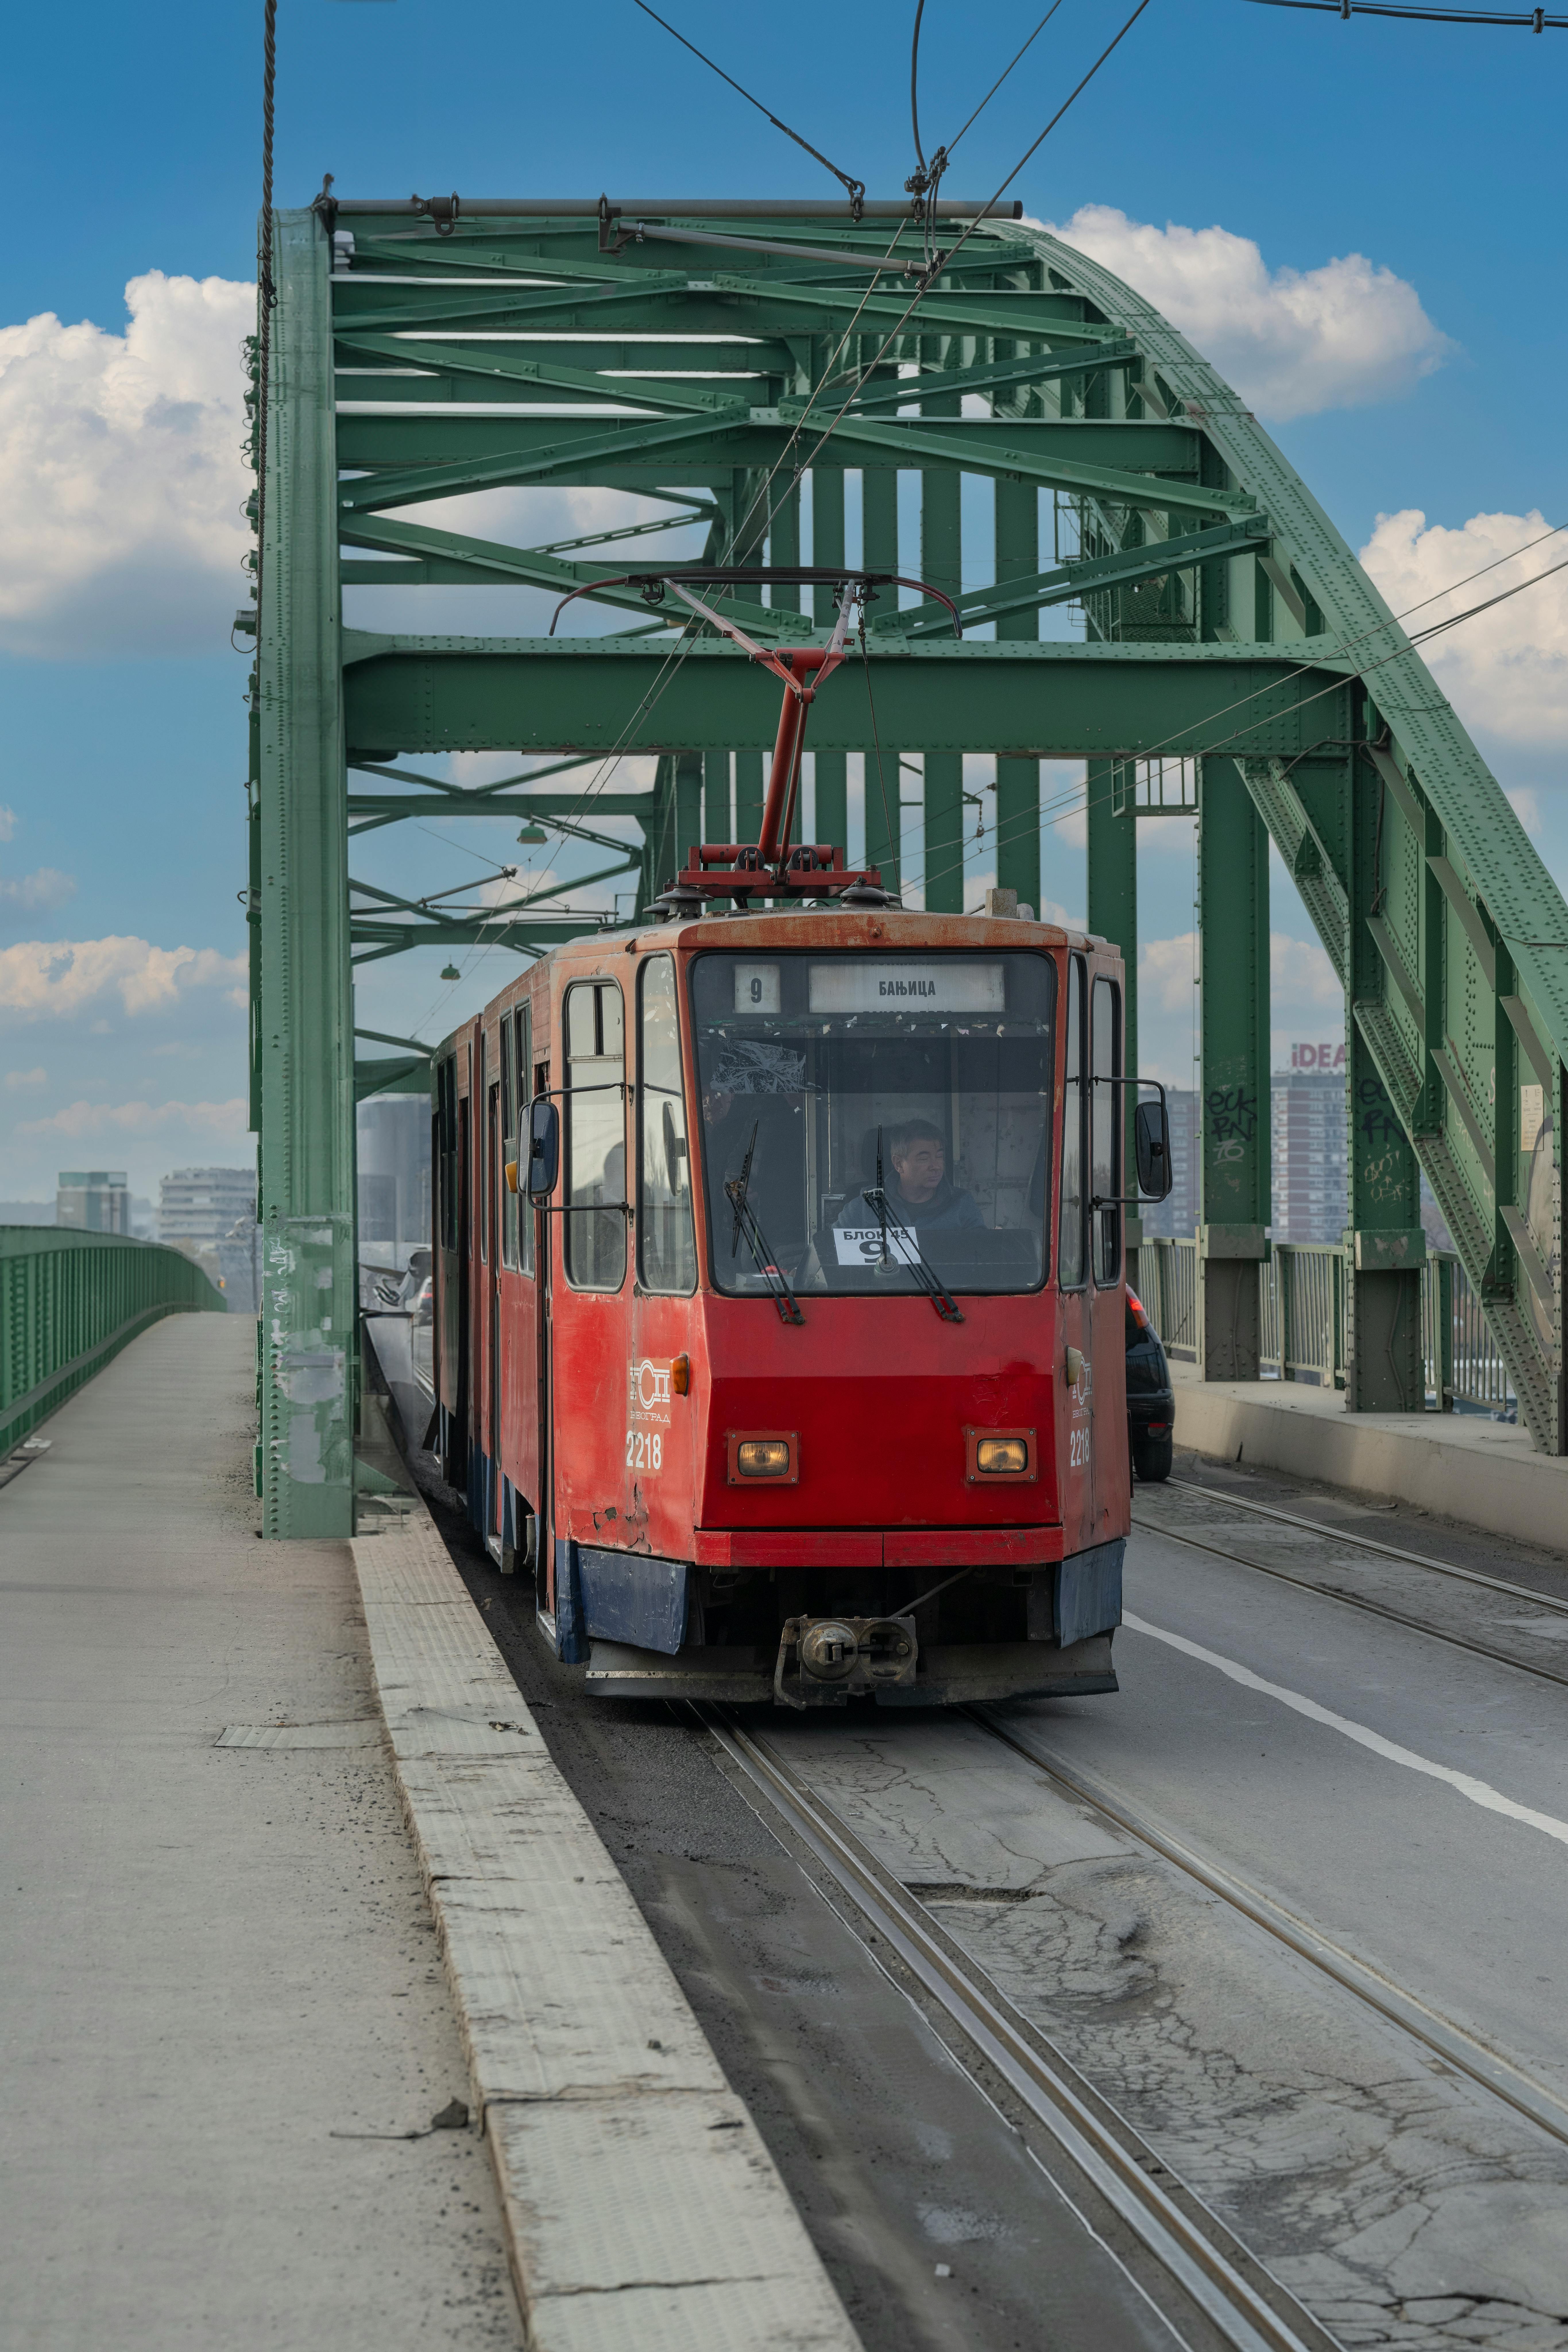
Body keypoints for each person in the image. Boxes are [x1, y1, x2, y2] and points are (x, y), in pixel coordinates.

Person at [846, 1118, 983, 1232]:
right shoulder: (867, 1204)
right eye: (924, 1159)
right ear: (899, 1164)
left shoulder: (962, 1203)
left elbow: (981, 1256)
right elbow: (832, 1250)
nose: (936, 1166)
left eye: (940, 1156)